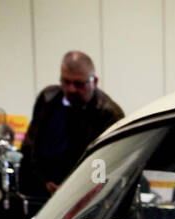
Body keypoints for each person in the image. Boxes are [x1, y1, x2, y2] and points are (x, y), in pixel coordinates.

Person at [19, 51, 124, 198]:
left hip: (82, 197)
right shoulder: (47, 99)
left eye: (78, 84)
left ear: (95, 81)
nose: (71, 89)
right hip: (41, 191)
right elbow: (30, 148)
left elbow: (105, 163)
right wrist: (40, 182)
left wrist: (77, 190)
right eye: (65, 82)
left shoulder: (109, 114)